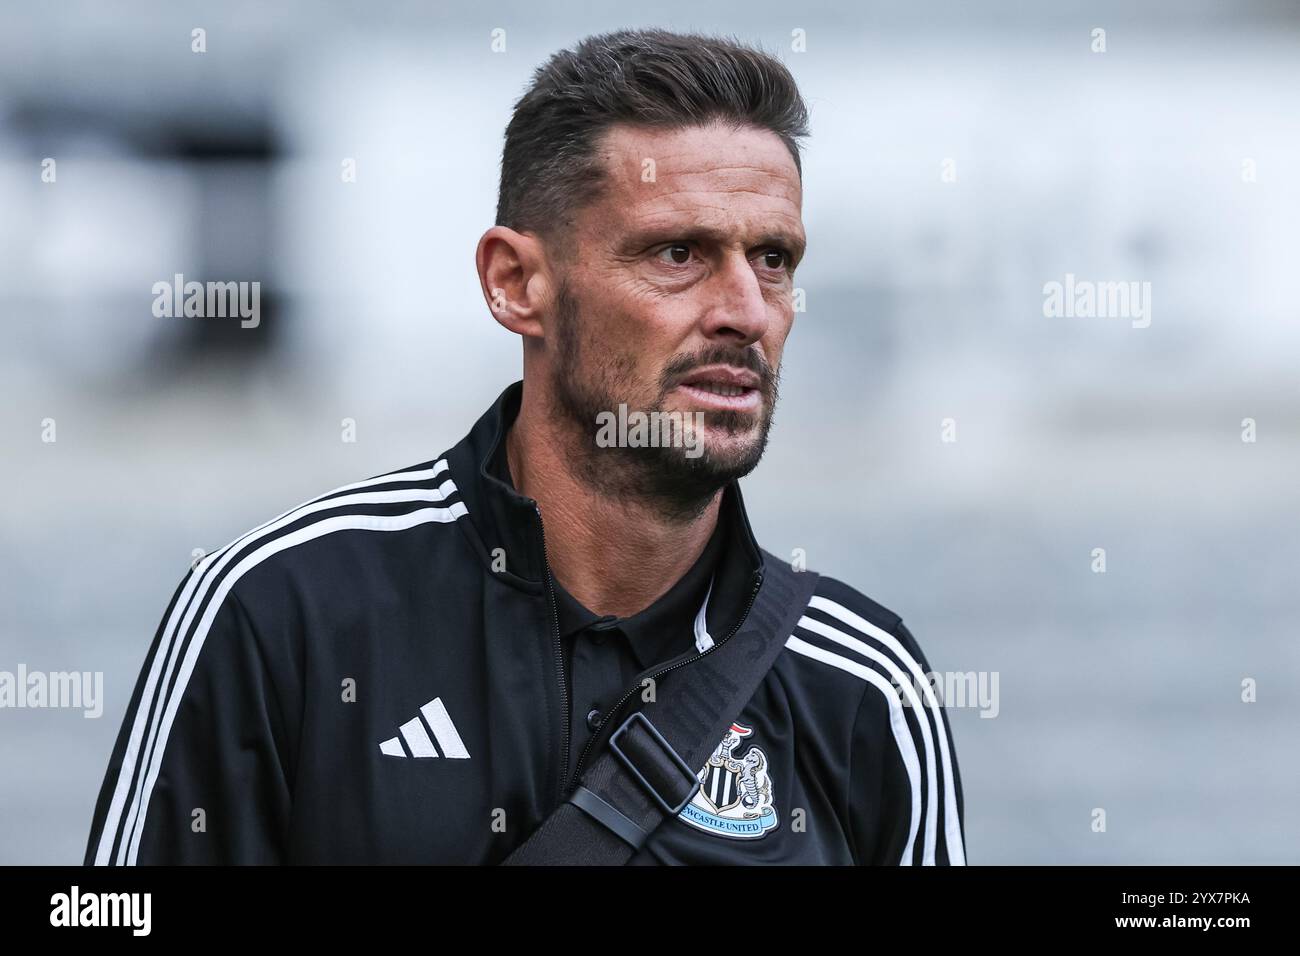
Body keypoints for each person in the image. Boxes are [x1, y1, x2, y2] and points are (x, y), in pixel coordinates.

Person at [85, 28, 966, 865]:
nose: (745, 309)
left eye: (773, 258)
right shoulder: (282, 614)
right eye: (677, 253)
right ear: (516, 284)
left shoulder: (865, 686)